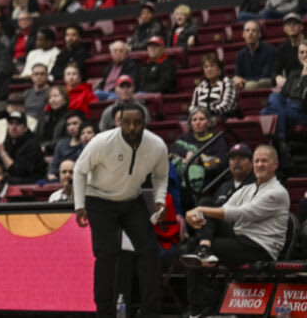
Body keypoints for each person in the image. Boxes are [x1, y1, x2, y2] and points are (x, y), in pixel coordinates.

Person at [74, 104, 169, 318]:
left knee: (149, 251)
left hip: (131, 199)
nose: (132, 127)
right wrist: (80, 205)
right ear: (119, 123)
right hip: (99, 199)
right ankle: (104, 312)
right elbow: (80, 170)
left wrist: (159, 200)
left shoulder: (156, 145)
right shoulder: (102, 142)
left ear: (145, 123)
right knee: (106, 255)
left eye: (137, 123)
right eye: (127, 122)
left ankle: (151, 312)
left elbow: (161, 176)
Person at [182, 146, 290, 318]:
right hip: (240, 239)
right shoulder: (247, 190)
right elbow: (222, 210)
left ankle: (205, 253)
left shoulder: (278, 192)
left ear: (275, 165)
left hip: (260, 248)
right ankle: (197, 309)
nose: (260, 164)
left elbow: (241, 214)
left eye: (264, 161)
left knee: (205, 212)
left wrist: (198, 210)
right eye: (257, 161)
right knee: (192, 242)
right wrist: (200, 212)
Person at [168, 107, 228, 193]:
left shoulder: (218, 140)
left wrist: (198, 160)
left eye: (201, 119)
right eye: (194, 120)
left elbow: (220, 161)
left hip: (207, 181)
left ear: (209, 123)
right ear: (190, 123)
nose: (198, 122)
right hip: (182, 178)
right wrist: (187, 153)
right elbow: (172, 150)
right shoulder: (184, 138)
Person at [262, 41, 307, 138]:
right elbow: (283, 95)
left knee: (266, 112)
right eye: (301, 52)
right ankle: (281, 140)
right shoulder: (293, 74)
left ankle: (279, 139)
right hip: (288, 108)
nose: (305, 55)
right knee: (273, 97)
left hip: (302, 112)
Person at [189, 53, 238, 119]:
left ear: (219, 69)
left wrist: (206, 114)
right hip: (202, 118)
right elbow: (192, 106)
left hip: (221, 117)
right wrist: (198, 115)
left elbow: (226, 105)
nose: (209, 69)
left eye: (212, 66)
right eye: (206, 67)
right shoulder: (200, 87)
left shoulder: (227, 83)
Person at [233, 20, 277, 91]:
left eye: (254, 30)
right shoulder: (240, 54)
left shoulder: (270, 51)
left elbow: (265, 76)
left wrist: (244, 80)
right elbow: (237, 75)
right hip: (248, 84)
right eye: (247, 30)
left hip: (266, 85)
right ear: (243, 34)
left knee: (252, 84)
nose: (250, 33)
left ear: (259, 34)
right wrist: (237, 80)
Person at [275, 13, 305, 80]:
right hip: (291, 83)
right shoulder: (283, 47)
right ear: (284, 29)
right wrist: (278, 77)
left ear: (301, 27)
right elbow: (276, 70)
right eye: (288, 24)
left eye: (295, 23)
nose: (291, 26)